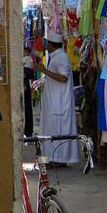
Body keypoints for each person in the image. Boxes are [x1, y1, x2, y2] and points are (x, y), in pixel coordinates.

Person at [33, 33, 79, 165]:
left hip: (59, 102)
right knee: (53, 130)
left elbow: (63, 78)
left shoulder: (61, 58)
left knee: (59, 130)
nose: (45, 46)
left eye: (47, 44)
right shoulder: (56, 57)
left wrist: (44, 71)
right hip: (54, 101)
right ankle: (55, 159)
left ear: (52, 45)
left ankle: (60, 159)